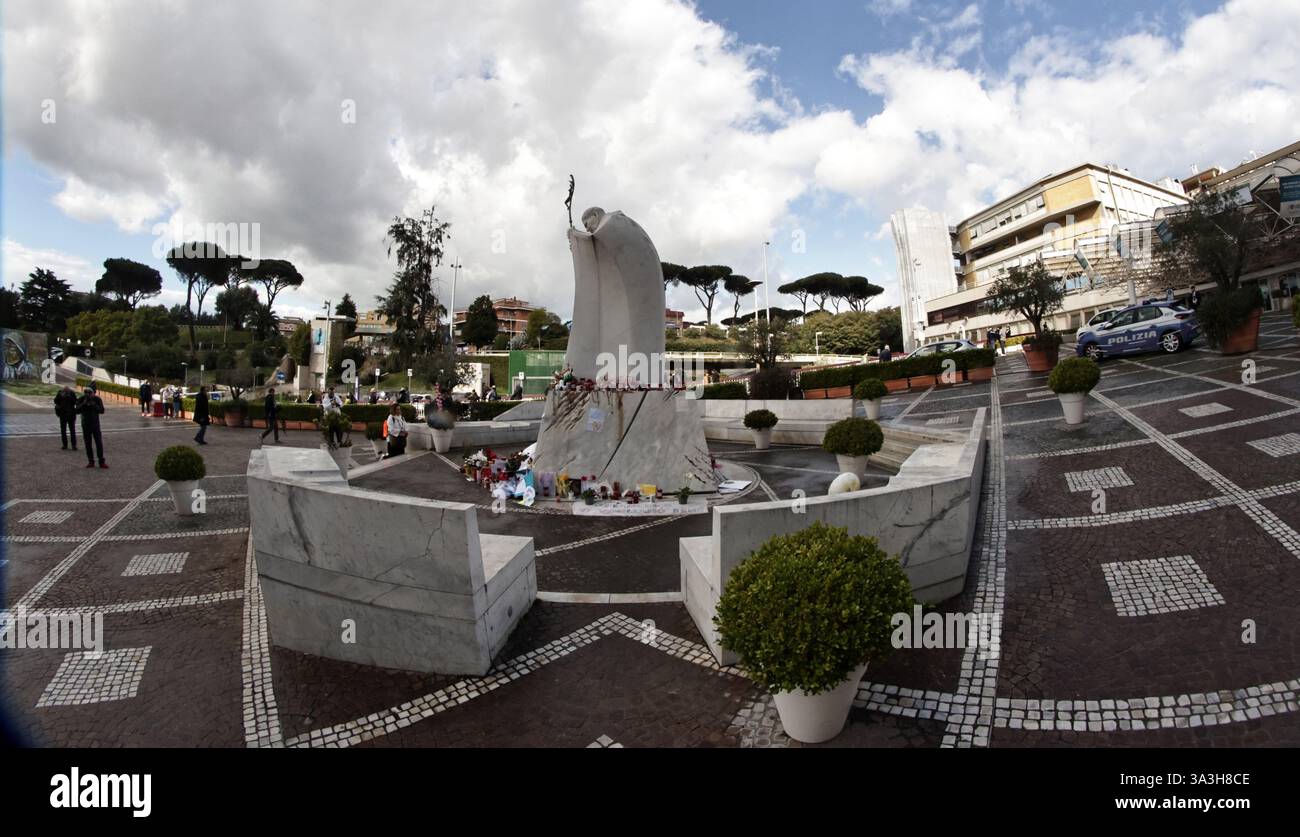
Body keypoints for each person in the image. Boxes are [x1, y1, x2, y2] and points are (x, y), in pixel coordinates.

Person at [77, 384, 107, 468]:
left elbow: (102, 410)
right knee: (88, 444)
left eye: (89, 392)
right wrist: (84, 404)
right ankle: (91, 461)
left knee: (99, 443)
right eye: (85, 392)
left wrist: (94, 405)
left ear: (93, 393)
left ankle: (101, 461)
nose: (87, 394)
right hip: (85, 424)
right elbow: (77, 410)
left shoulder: (97, 399)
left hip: (95, 424)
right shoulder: (82, 399)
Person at [54, 385, 78, 451]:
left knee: (72, 430)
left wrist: (70, 397)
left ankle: (73, 445)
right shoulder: (60, 393)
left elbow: (76, 401)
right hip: (63, 414)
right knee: (63, 430)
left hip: (71, 414)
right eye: (65, 390)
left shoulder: (72, 393)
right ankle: (65, 445)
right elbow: (55, 401)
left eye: (67, 390)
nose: (66, 391)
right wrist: (60, 396)